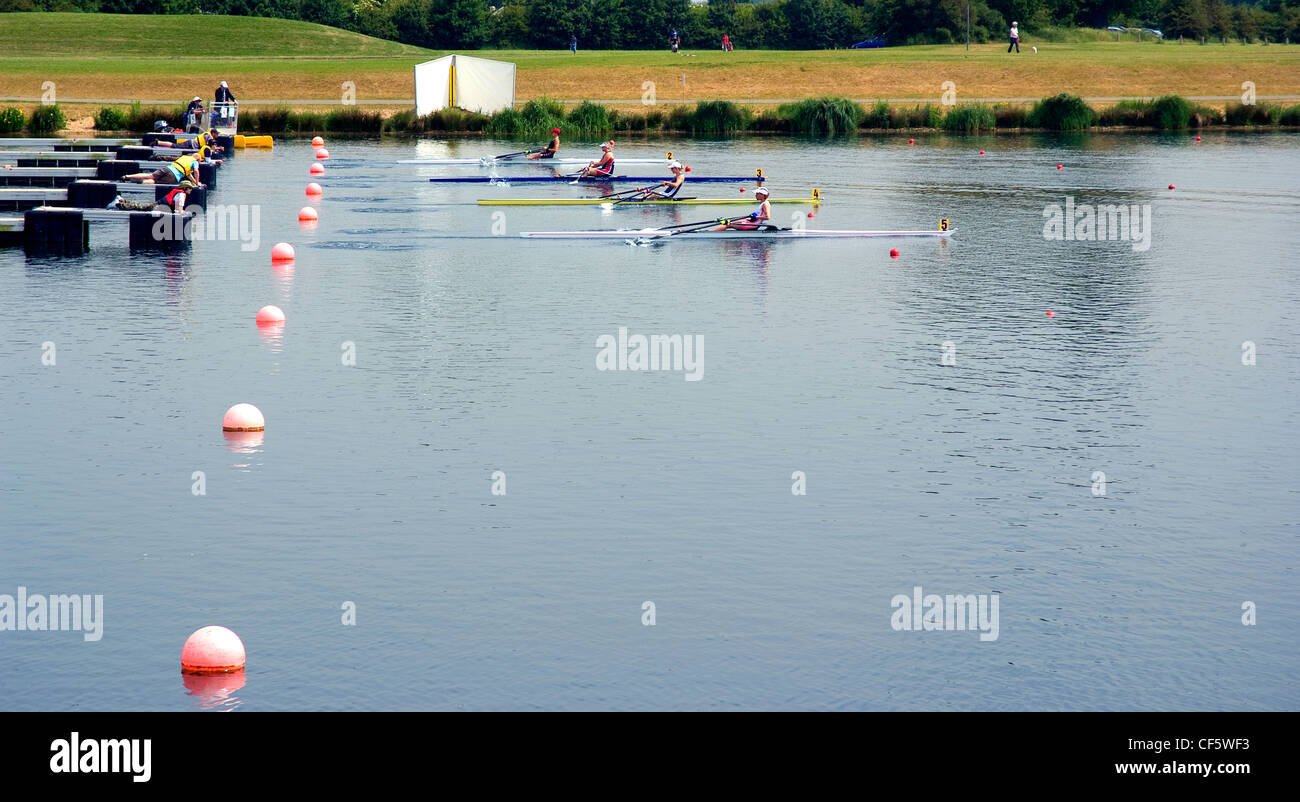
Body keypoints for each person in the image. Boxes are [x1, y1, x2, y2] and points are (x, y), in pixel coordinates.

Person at [110, 180, 194, 212]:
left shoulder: (179, 193)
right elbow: (179, 210)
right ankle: (118, 204)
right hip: (158, 206)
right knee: (140, 207)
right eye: (190, 188)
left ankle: (122, 200)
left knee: (140, 206)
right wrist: (185, 212)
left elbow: (176, 208)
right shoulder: (181, 195)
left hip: (159, 204)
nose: (191, 190)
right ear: (185, 188)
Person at [123, 152, 203, 185]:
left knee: (150, 175)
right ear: (198, 159)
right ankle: (135, 182)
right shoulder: (195, 162)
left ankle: (128, 176)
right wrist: (197, 182)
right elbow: (196, 171)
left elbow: (188, 175)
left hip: (168, 168)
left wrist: (195, 182)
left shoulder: (185, 157)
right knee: (154, 181)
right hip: (173, 176)